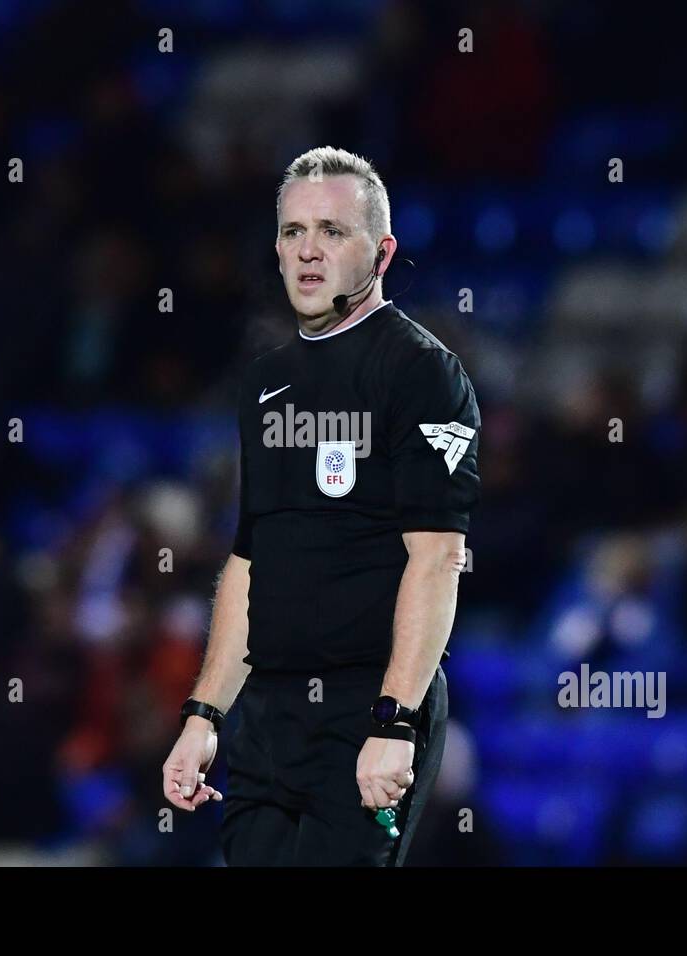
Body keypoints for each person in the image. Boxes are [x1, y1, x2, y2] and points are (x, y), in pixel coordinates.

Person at [161, 146, 481, 865]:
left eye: (333, 231)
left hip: (367, 705)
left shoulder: (423, 373)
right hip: (268, 717)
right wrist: (205, 713)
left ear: (383, 251)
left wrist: (394, 720)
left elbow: (436, 560)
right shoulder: (267, 382)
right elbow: (251, 559)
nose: (308, 250)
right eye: (293, 231)